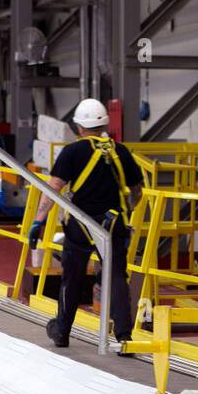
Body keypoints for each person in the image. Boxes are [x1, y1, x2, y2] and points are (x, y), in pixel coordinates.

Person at [30, 98, 144, 351]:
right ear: (104, 124)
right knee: (116, 277)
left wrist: (38, 221)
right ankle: (124, 337)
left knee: (72, 277)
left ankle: (62, 331)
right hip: (113, 225)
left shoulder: (72, 152)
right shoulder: (120, 152)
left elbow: (54, 188)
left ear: (79, 126)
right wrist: (127, 211)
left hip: (80, 226)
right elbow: (137, 191)